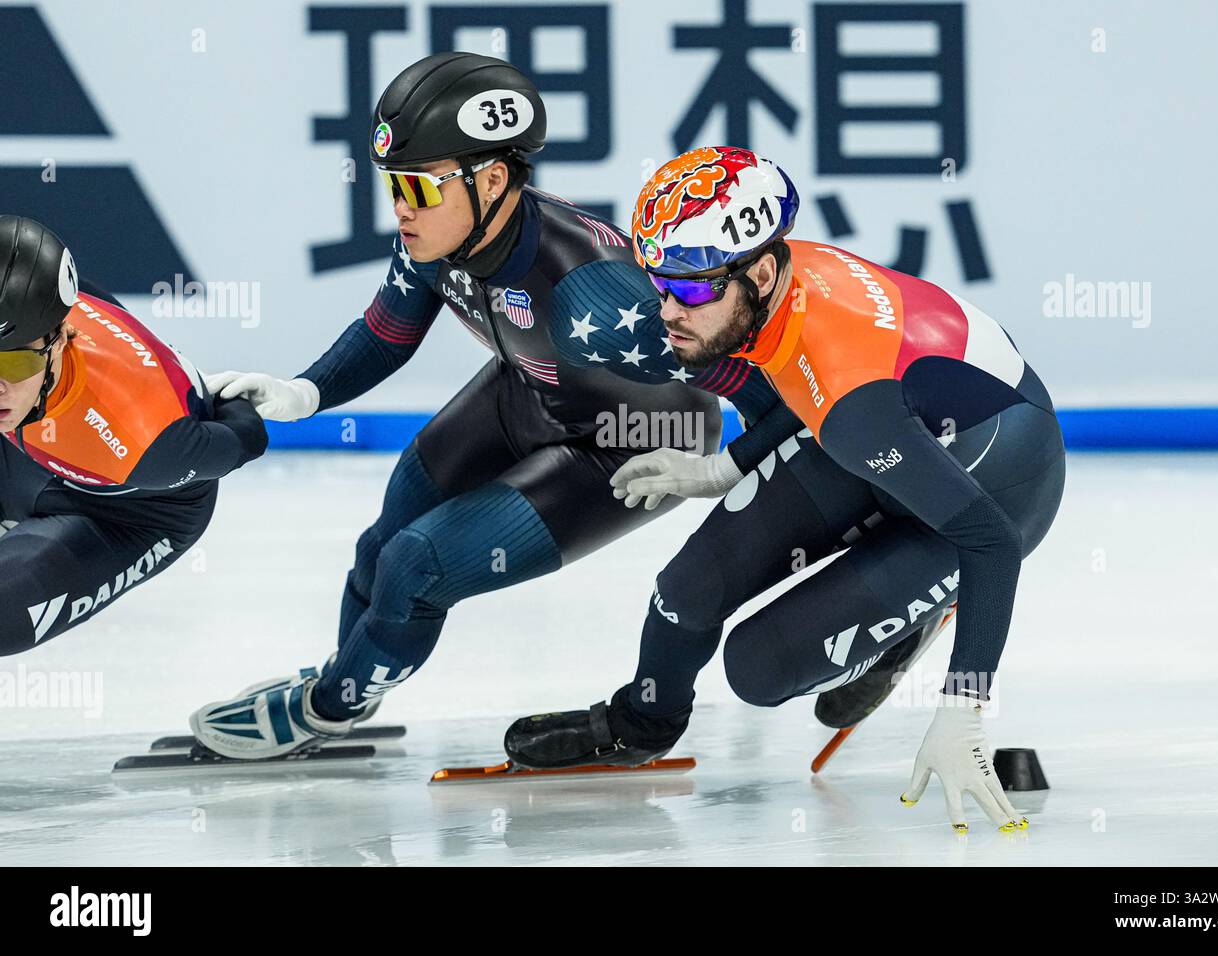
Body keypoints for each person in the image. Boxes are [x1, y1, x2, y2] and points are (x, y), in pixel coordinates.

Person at [190, 57, 790, 758]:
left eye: (417, 186)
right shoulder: (441, 232)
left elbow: (767, 390)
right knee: (379, 546)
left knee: (414, 566)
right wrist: (307, 391)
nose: (402, 208)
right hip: (530, 392)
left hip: (638, 439)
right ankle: (350, 684)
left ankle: (327, 708)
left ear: (494, 180)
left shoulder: (596, 291)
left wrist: (735, 470)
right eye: (393, 186)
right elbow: (388, 335)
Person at [504, 147, 1066, 833]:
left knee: (759, 671)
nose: (668, 310)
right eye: (660, 285)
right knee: (686, 591)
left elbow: (991, 541)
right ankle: (643, 723)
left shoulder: (850, 389)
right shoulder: (780, 285)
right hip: (898, 429)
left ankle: (907, 626)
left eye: (693, 289)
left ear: (760, 272)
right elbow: (806, 393)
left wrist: (963, 705)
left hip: (996, 487)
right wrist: (726, 466)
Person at [0, 215, 267, 650]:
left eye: (13, 364)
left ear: (61, 337)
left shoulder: (147, 441)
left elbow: (246, 442)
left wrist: (232, 401)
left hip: (125, 515)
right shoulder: (36, 306)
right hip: (35, 452)